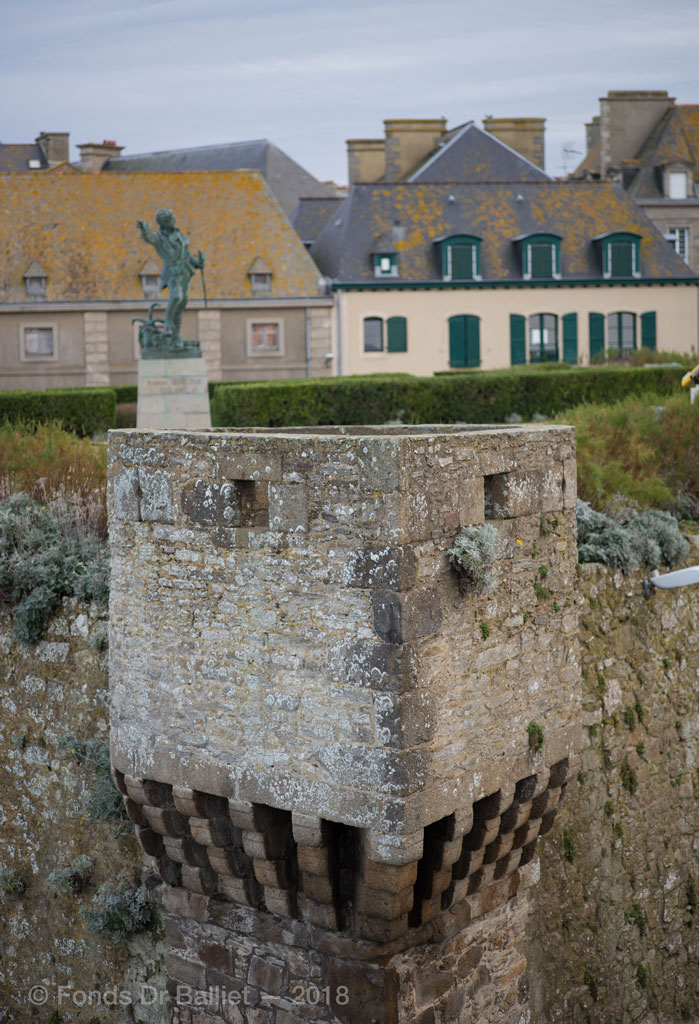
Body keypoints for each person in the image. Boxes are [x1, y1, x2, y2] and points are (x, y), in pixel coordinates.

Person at [137, 209, 205, 346]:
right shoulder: (159, 238)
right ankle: (167, 326)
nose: (174, 221)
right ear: (164, 223)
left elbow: (187, 255)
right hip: (172, 273)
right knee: (176, 297)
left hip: (185, 273)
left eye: (173, 218)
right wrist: (144, 229)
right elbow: (149, 237)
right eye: (170, 220)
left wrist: (198, 263)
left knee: (180, 305)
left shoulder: (180, 235)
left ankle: (175, 337)